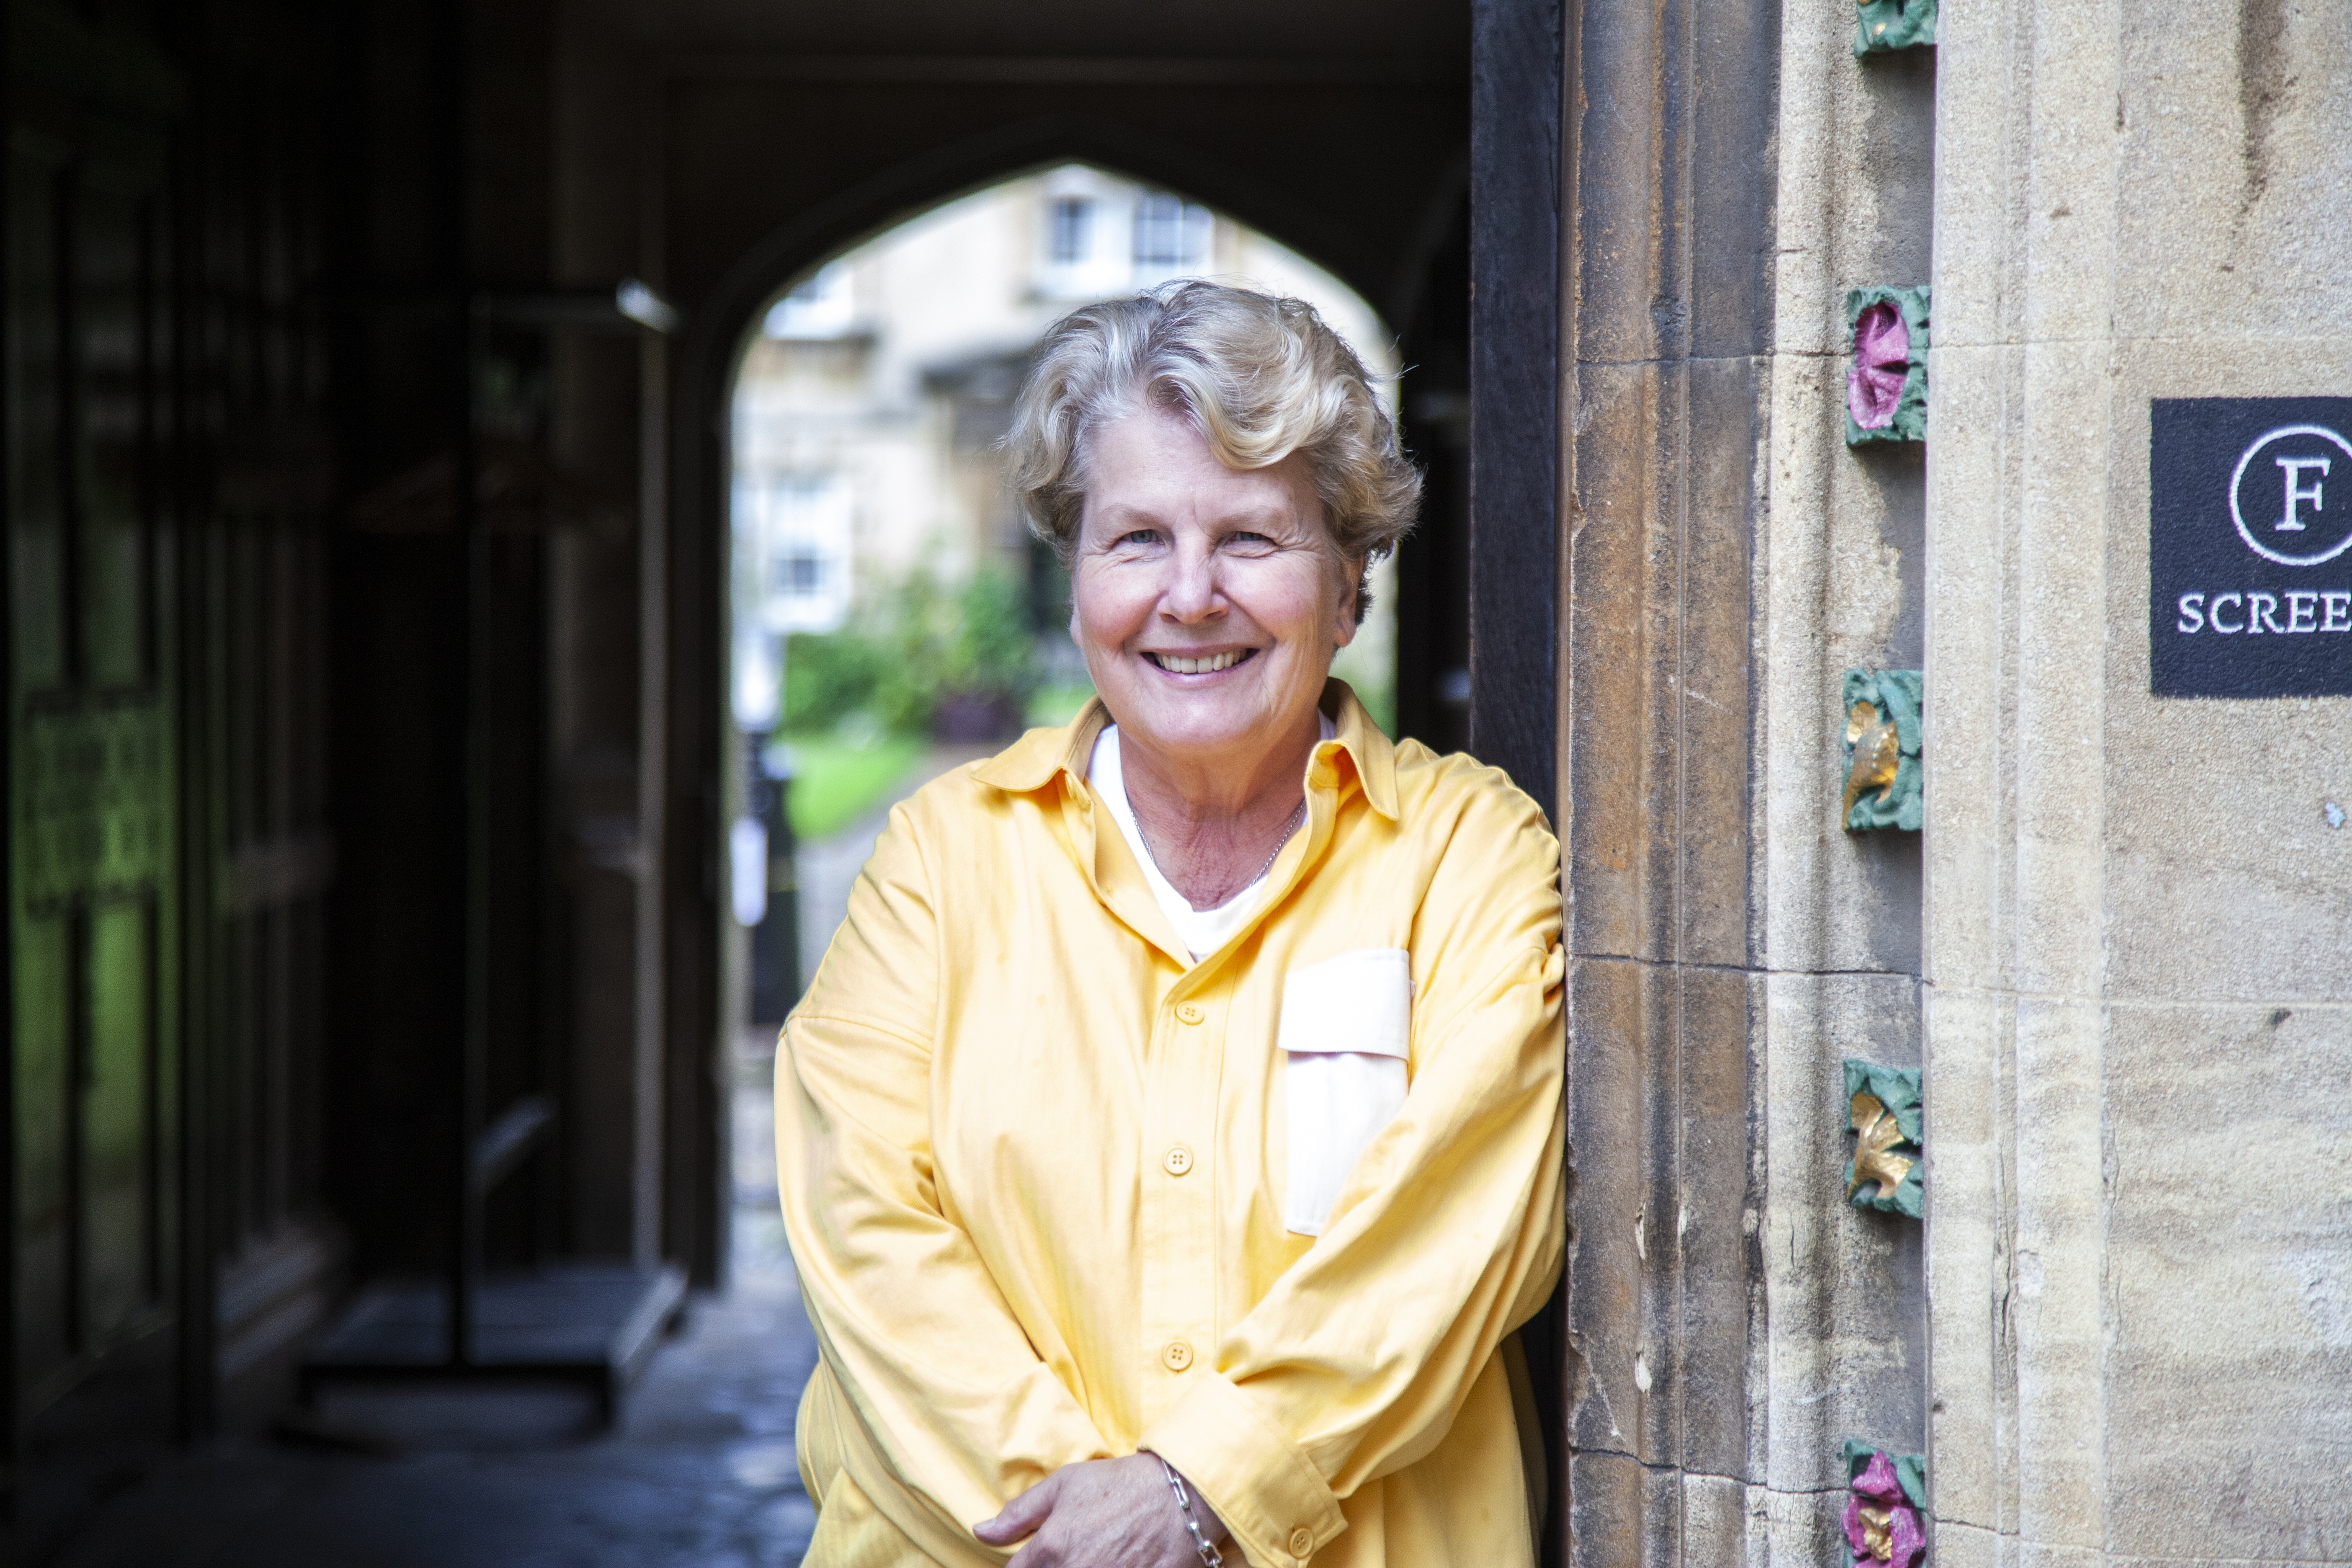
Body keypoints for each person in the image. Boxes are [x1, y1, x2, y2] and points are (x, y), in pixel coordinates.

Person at [776, 279, 1563, 1568]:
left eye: (1252, 539)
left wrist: (1198, 1492)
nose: (1190, 597)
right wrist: (1091, 1527)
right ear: (1078, 573)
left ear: (1352, 579)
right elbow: (863, 1235)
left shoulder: (1466, 860)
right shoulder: (938, 864)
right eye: (1137, 539)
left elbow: (1453, 1239)